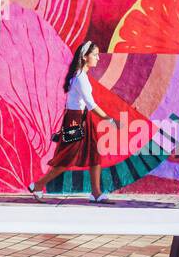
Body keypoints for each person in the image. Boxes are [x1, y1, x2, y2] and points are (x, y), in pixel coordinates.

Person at [28, 40, 118, 203]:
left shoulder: (82, 76)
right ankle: (38, 185)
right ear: (84, 57)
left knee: (94, 154)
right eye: (95, 55)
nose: (98, 58)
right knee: (67, 158)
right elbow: (91, 105)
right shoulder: (80, 78)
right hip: (75, 120)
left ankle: (96, 193)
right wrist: (109, 118)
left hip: (83, 118)